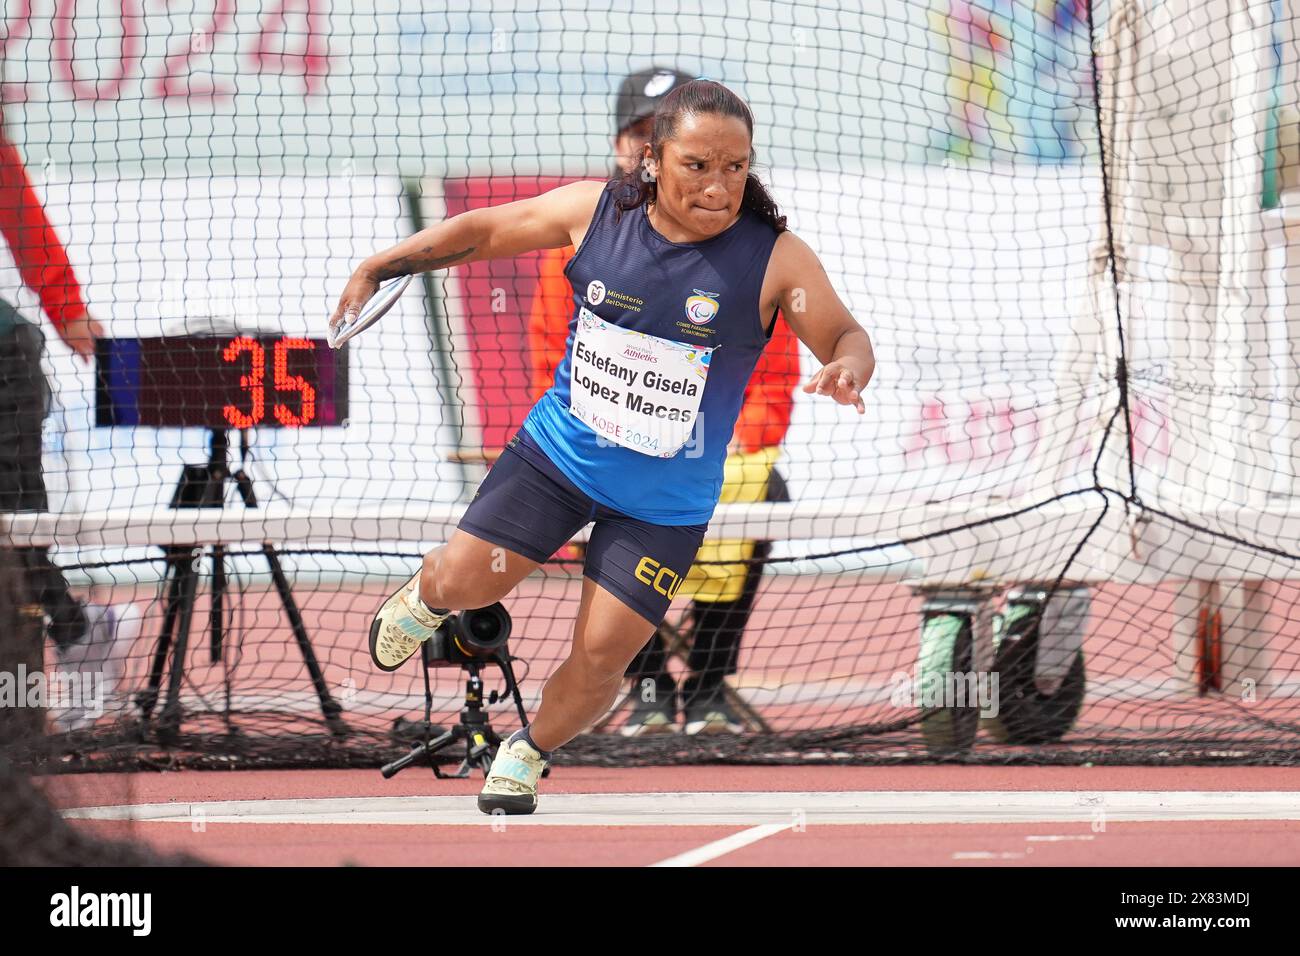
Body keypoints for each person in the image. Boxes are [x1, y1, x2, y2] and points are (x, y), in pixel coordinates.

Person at [330, 79, 874, 814]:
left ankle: (527, 749)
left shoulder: (776, 258)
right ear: (652, 161)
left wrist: (845, 365)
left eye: (735, 168)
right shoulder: (597, 213)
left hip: (663, 501)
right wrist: (379, 265)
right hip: (559, 458)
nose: (718, 187)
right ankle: (428, 595)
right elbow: (487, 231)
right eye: (697, 166)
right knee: (470, 583)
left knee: (602, 658)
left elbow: (842, 332)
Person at [526, 67, 799, 736]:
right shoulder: (583, 239)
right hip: (607, 444)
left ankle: (707, 681)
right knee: (608, 500)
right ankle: (645, 685)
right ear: (634, 153)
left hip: (713, 451)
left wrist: (739, 437)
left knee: (766, 497)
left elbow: (776, 375)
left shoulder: (754, 251)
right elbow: (546, 367)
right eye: (635, 136)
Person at [0, 120, 139, 730]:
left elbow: (20, 213)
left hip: (5, 365)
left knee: (16, 522)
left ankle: (78, 632)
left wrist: (69, 310)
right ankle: (80, 629)